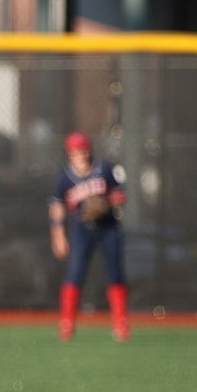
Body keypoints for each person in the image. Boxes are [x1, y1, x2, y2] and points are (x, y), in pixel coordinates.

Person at [48, 130, 129, 342]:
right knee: (75, 273)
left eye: (83, 149)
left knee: (115, 273)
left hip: (108, 227)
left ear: (88, 150)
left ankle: (121, 324)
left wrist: (105, 202)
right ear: (69, 153)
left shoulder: (103, 169)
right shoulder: (65, 177)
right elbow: (57, 206)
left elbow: (120, 194)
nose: (80, 154)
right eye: (76, 150)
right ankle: (67, 323)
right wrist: (58, 236)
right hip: (82, 230)